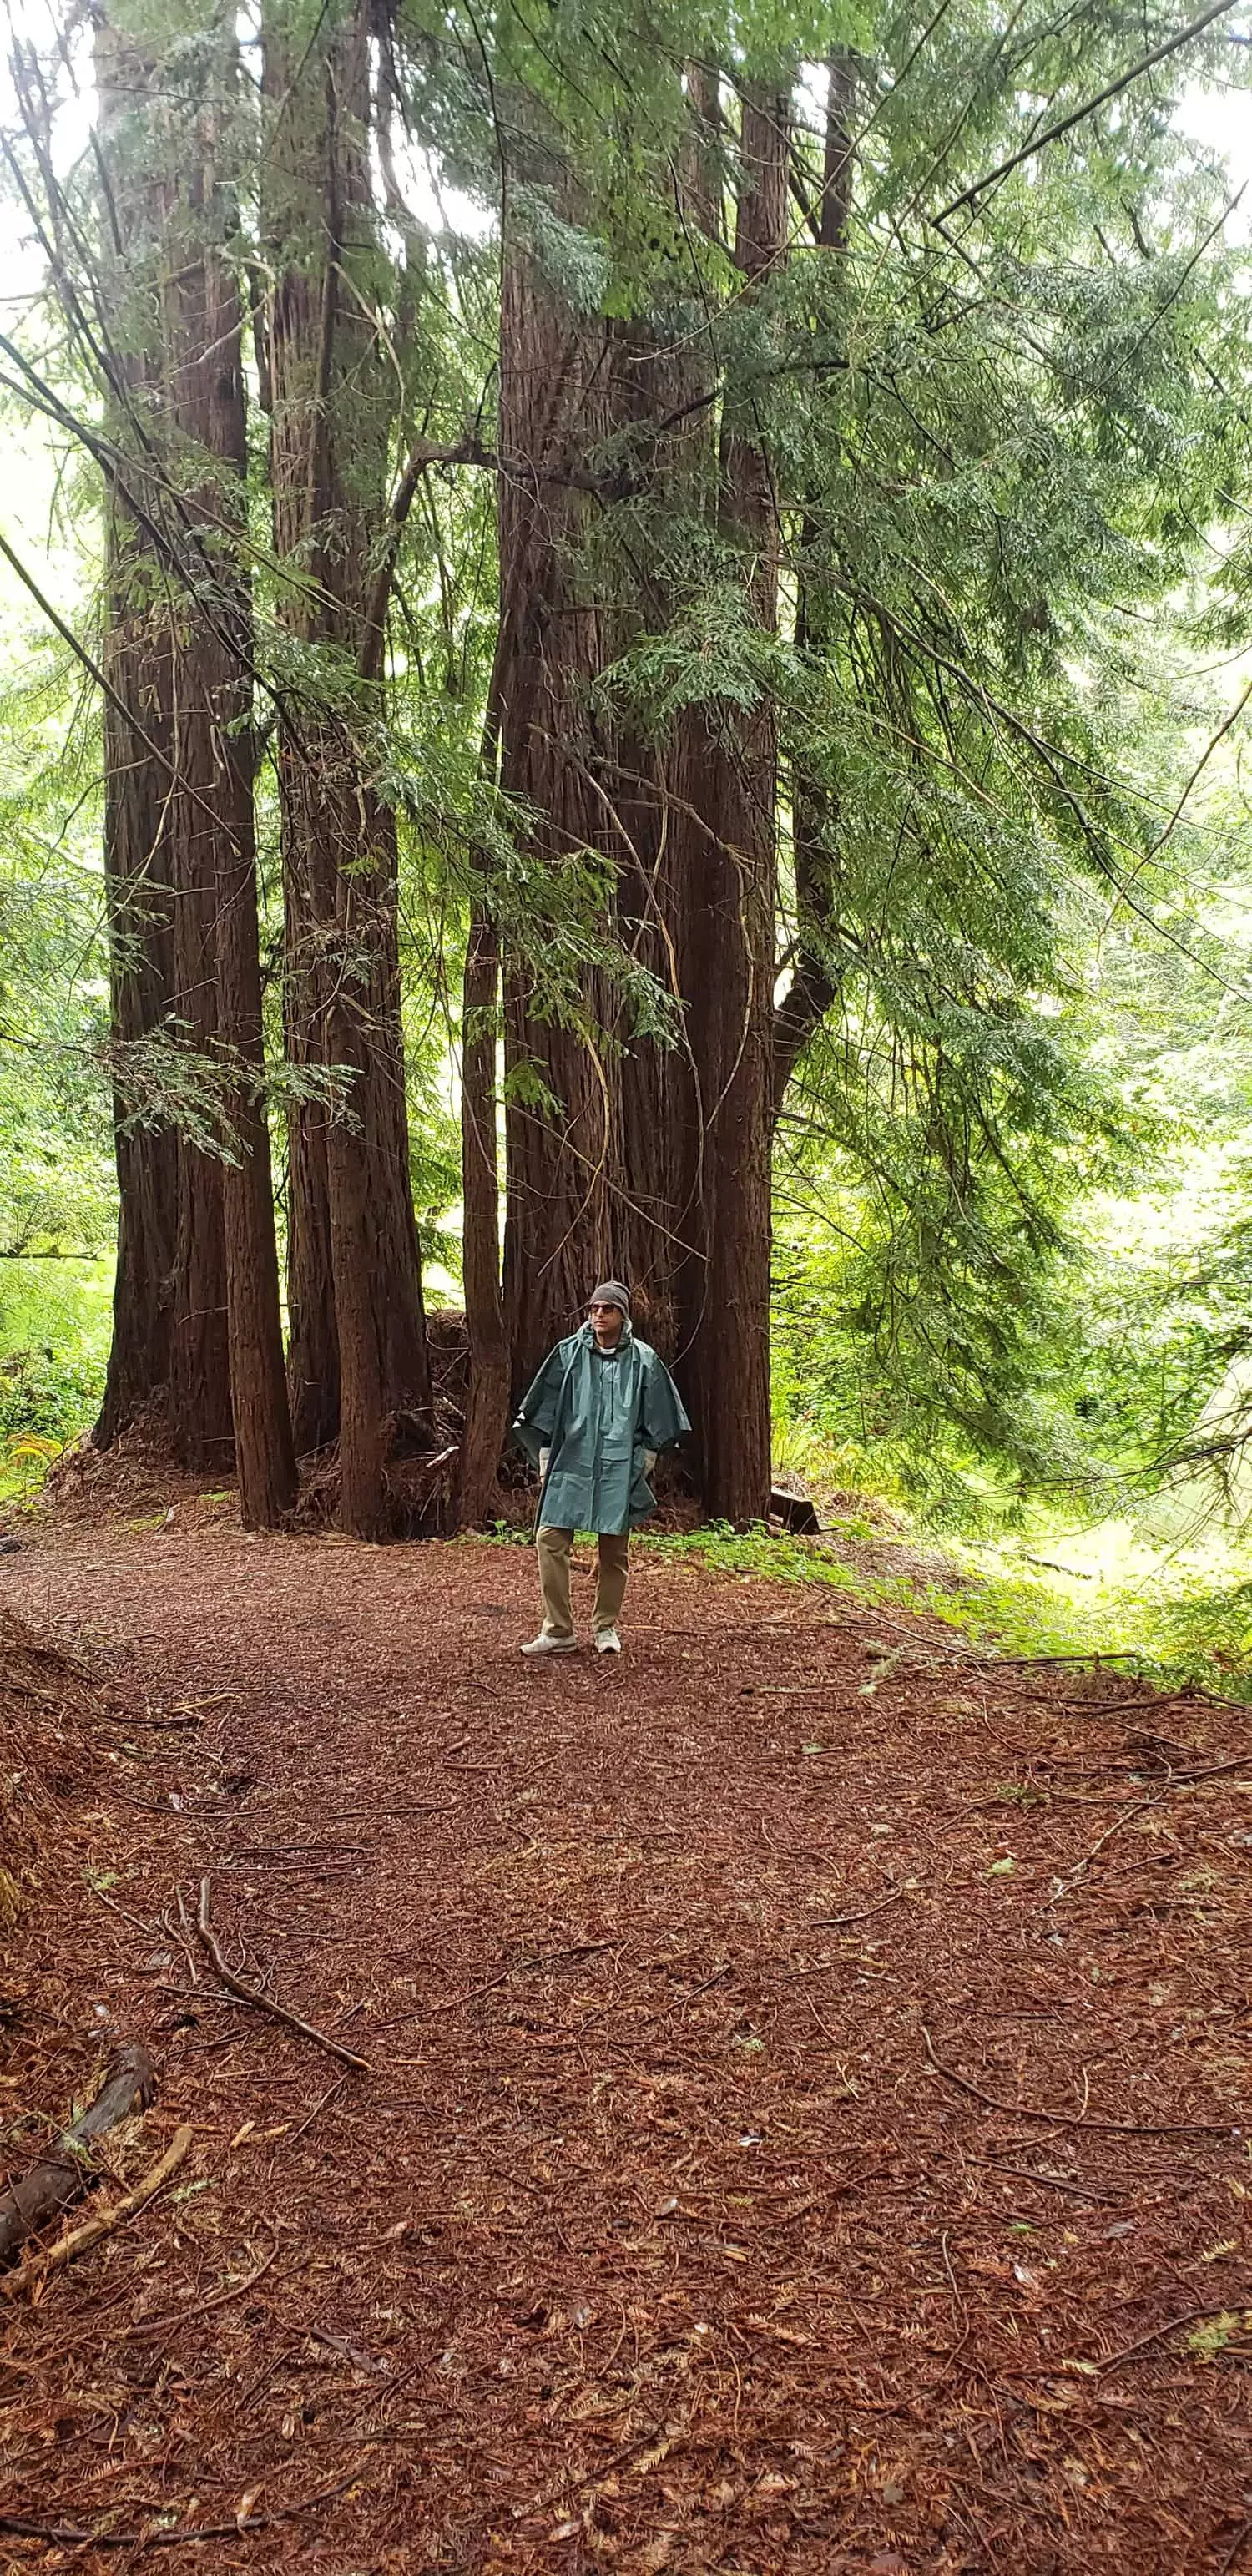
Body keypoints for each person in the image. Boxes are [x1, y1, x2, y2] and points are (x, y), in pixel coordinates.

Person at [512, 1281, 689, 1656]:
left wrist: (647, 1456)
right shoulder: (567, 1354)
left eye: (608, 1308)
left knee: (614, 1549)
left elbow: (659, 1413)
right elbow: (544, 1408)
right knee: (550, 1538)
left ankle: (605, 1627)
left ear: (623, 1314)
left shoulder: (644, 1360)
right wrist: (546, 1456)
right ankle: (559, 1630)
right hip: (572, 1460)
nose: (599, 1314)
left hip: (618, 1464)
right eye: (594, 1307)